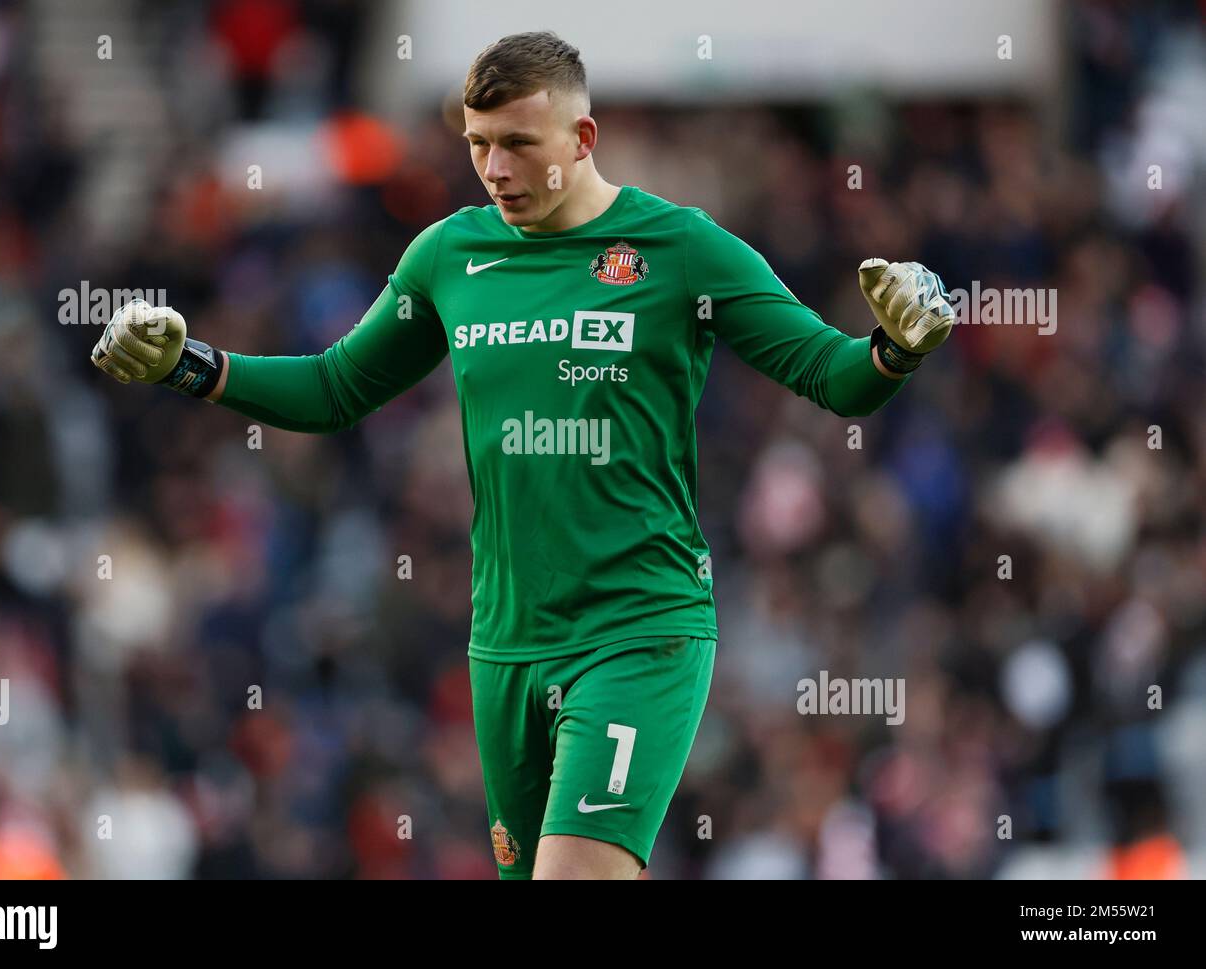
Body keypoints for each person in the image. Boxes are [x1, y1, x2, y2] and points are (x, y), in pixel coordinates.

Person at [90, 30, 955, 880]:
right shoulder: (448, 256)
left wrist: (895, 348)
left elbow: (831, 375)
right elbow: (332, 390)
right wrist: (189, 364)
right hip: (505, 645)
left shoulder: (681, 249)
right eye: (477, 145)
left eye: (516, 144)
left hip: (637, 631)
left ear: (581, 139)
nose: (495, 169)